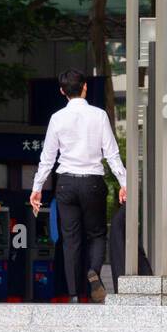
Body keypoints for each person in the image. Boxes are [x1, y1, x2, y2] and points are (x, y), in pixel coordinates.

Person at [31, 69, 127, 304]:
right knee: (96, 234)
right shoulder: (99, 115)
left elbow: (48, 157)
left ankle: (74, 293)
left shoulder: (57, 118)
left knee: (70, 238)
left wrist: (37, 188)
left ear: (62, 91)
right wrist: (124, 183)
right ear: (85, 87)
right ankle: (93, 270)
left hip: (66, 183)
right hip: (93, 182)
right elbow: (112, 154)